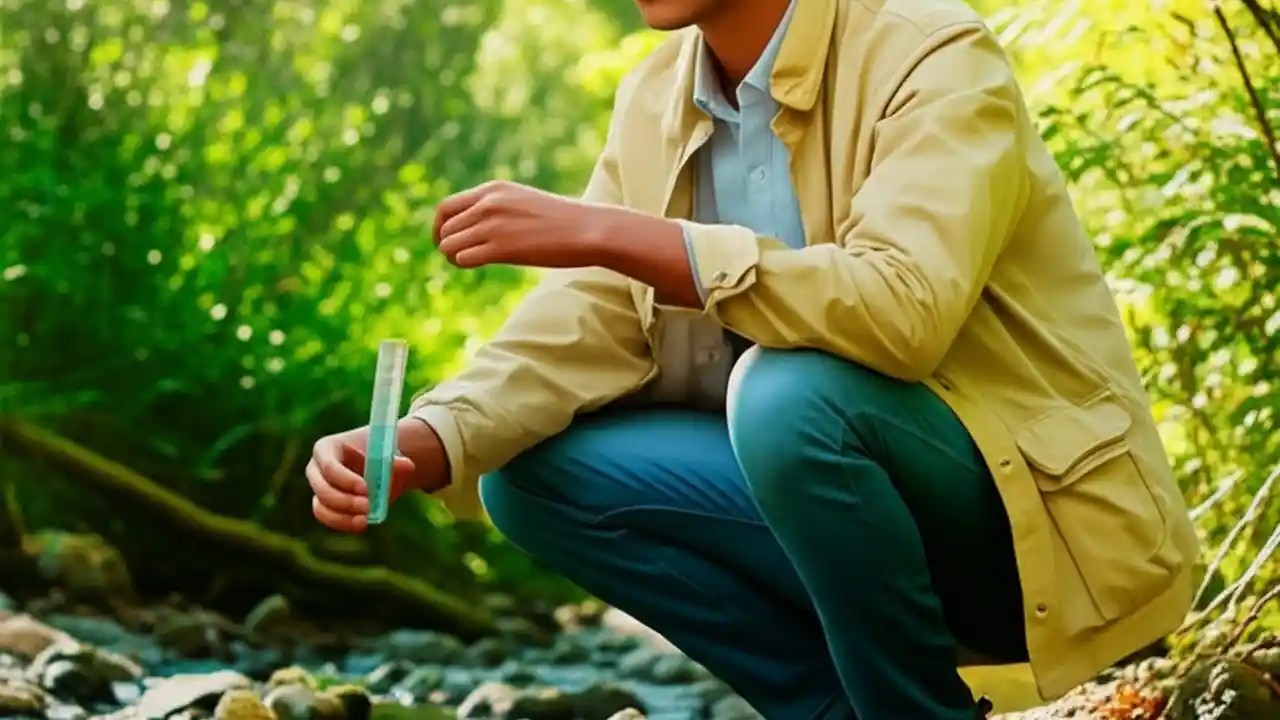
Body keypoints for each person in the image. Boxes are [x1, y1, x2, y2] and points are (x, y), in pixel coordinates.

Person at [306, 0, 1201, 718]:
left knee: (785, 393)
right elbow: (593, 317)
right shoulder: (655, 97)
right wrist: (427, 437)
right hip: (841, 520)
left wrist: (622, 233)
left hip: (1027, 536)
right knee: (522, 471)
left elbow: (907, 311)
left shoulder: (933, 52)